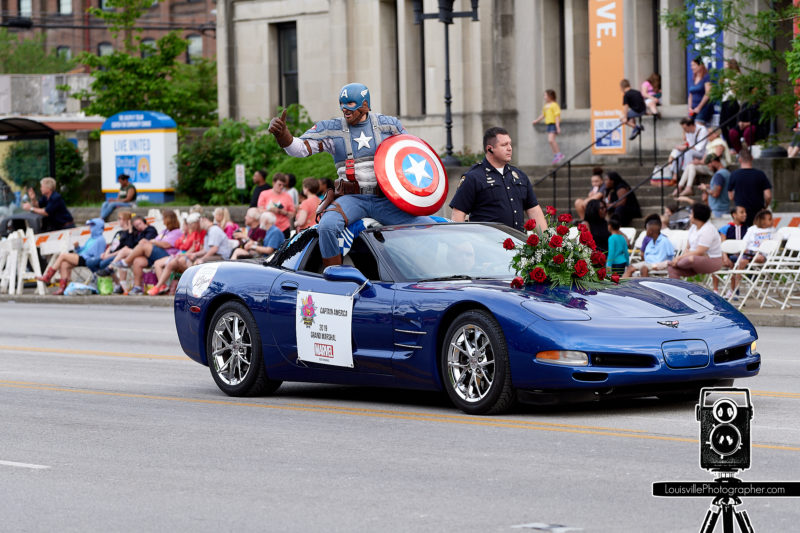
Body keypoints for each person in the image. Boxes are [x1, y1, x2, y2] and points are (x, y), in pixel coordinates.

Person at [268, 82, 438, 267]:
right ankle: (333, 272)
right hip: (352, 199)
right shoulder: (332, 128)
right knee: (327, 226)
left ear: (365, 105)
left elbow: (410, 152)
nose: (345, 109)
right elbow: (300, 149)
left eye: (350, 104)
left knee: (428, 227)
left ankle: (431, 270)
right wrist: (283, 135)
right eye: (342, 104)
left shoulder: (389, 125)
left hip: (386, 199)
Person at [450, 127, 547, 233]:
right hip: (487, 241)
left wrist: (546, 240)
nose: (510, 148)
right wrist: (463, 241)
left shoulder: (520, 176)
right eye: (504, 145)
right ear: (490, 149)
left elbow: (534, 211)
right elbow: (458, 214)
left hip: (518, 241)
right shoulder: (473, 177)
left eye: (510, 144)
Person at [113, 210, 182, 295]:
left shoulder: (177, 232)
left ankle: (126, 262)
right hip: (156, 254)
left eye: (164, 218)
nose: (163, 220)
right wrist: (151, 242)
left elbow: (166, 245)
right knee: (138, 261)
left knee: (143, 244)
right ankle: (137, 287)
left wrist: (153, 242)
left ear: (169, 219)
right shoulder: (165, 231)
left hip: (166, 255)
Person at [37, 218, 106, 295]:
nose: (90, 228)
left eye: (92, 226)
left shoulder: (100, 240)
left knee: (63, 256)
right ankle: (62, 288)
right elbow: (83, 250)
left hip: (88, 260)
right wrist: (77, 247)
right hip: (82, 257)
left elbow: (98, 255)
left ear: (97, 227)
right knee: (64, 264)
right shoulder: (91, 238)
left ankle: (48, 276)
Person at [727, 209, 774, 299]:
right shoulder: (752, 229)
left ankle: (740, 258)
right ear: (762, 220)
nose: (772, 221)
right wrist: (745, 250)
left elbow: (773, 244)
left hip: (762, 254)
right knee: (742, 262)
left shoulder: (772, 231)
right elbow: (744, 242)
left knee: (759, 258)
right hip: (749, 252)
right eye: (769, 219)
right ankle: (736, 288)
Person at [667, 203, 723, 279]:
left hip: (711, 261)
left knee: (691, 259)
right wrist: (683, 256)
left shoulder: (708, 229)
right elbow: (688, 247)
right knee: (672, 268)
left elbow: (699, 252)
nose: (689, 216)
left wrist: (678, 258)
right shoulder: (693, 227)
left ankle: (670, 263)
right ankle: (676, 286)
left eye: (691, 213)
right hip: (693, 261)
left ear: (697, 216)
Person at [727, 146, 772, 227]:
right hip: (757, 213)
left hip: (741, 214)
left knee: (743, 234)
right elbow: (768, 196)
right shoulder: (760, 174)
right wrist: (765, 206)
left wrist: (739, 201)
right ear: (752, 158)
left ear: (739, 159)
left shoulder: (734, 175)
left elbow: (730, 196)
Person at [668, 117, 709, 188]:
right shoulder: (688, 132)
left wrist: (685, 147)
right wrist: (683, 148)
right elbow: (690, 145)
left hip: (703, 153)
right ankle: (675, 176)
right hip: (693, 152)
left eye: (685, 128)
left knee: (688, 151)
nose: (684, 130)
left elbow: (699, 147)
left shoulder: (702, 130)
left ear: (691, 125)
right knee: (679, 151)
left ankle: (686, 175)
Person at [257, 173, 295, 238]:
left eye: (283, 185)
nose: (281, 187)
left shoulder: (288, 196)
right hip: (267, 227)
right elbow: (259, 210)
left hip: (284, 228)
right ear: (273, 183)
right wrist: (270, 210)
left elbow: (293, 214)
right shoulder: (264, 194)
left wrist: (283, 212)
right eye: (279, 185)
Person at [532, 89, 563, 163]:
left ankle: (558, 154)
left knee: (551, 140)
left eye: (545, 95)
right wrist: (536, 120)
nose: (544, 97)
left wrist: (557, 127)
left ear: (550, 96)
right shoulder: (545, 106)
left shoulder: (554, 105)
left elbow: (557, 116)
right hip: (549, 124)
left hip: (553, 124)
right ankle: (556, 154)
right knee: (550, 141)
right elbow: (543, 115)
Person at [698, 154, 731, 225]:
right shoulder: (726, 172)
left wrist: (704, 189)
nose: (709, 168)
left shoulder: (719, 175)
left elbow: (715, 194)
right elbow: (721, 187)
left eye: (709, 166)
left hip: (718, 210)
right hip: (724, 208)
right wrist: (709, 186)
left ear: (713, 162)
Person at [719, 59, 741, 146]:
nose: (725, 68)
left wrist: (730, 80)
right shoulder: (726, 77)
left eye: (726, 65)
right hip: (725, 100)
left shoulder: (737, 76)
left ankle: (734, 144)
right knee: (722, 124)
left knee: (731, 124)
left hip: (732, 100)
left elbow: (736, 90)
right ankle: (730, 144)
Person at [688, 58, 713, 126]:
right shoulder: (693, 79)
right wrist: (690, 107)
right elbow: (690, 95)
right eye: (691, 65)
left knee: (698, 125)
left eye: (694, 65)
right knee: (688, 125)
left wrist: (699, 107)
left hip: (703, 108)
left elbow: (708, 93)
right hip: (693, 108)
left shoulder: (706, 78)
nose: (692, 67)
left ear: (700, 66)